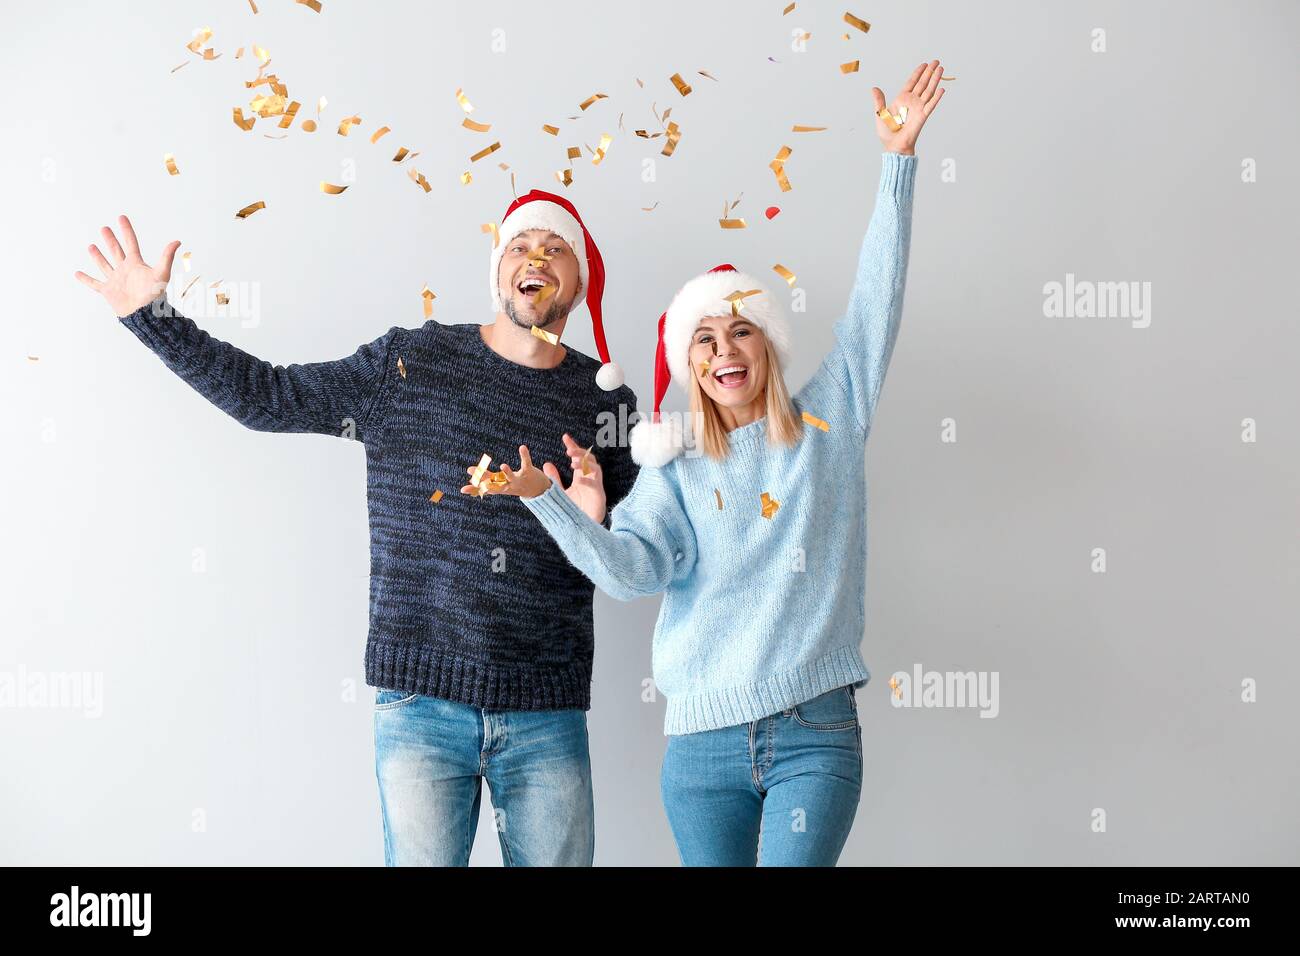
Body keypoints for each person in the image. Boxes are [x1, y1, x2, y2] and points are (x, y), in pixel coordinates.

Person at [465, 61, 947, 866]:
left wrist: (897, 161)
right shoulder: (674, 469)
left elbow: (876, 298)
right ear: (691, 365)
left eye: (741, 330)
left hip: (813, 733)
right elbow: (628, 574)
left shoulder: (832, 415)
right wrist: (544, 500)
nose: (725, 349)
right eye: (705, 338)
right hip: (701, 752)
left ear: (767, 346)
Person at [73, 190, 639, 867]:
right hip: (420, 707)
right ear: (498, 270)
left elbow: (643, 560)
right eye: (520, 245)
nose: (535, 257)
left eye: (556, 250)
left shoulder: (607, 403)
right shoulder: (408, 365)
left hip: (546, 708)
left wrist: (598, 521)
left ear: (579, 286)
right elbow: (270, 398)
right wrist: (153, 317)